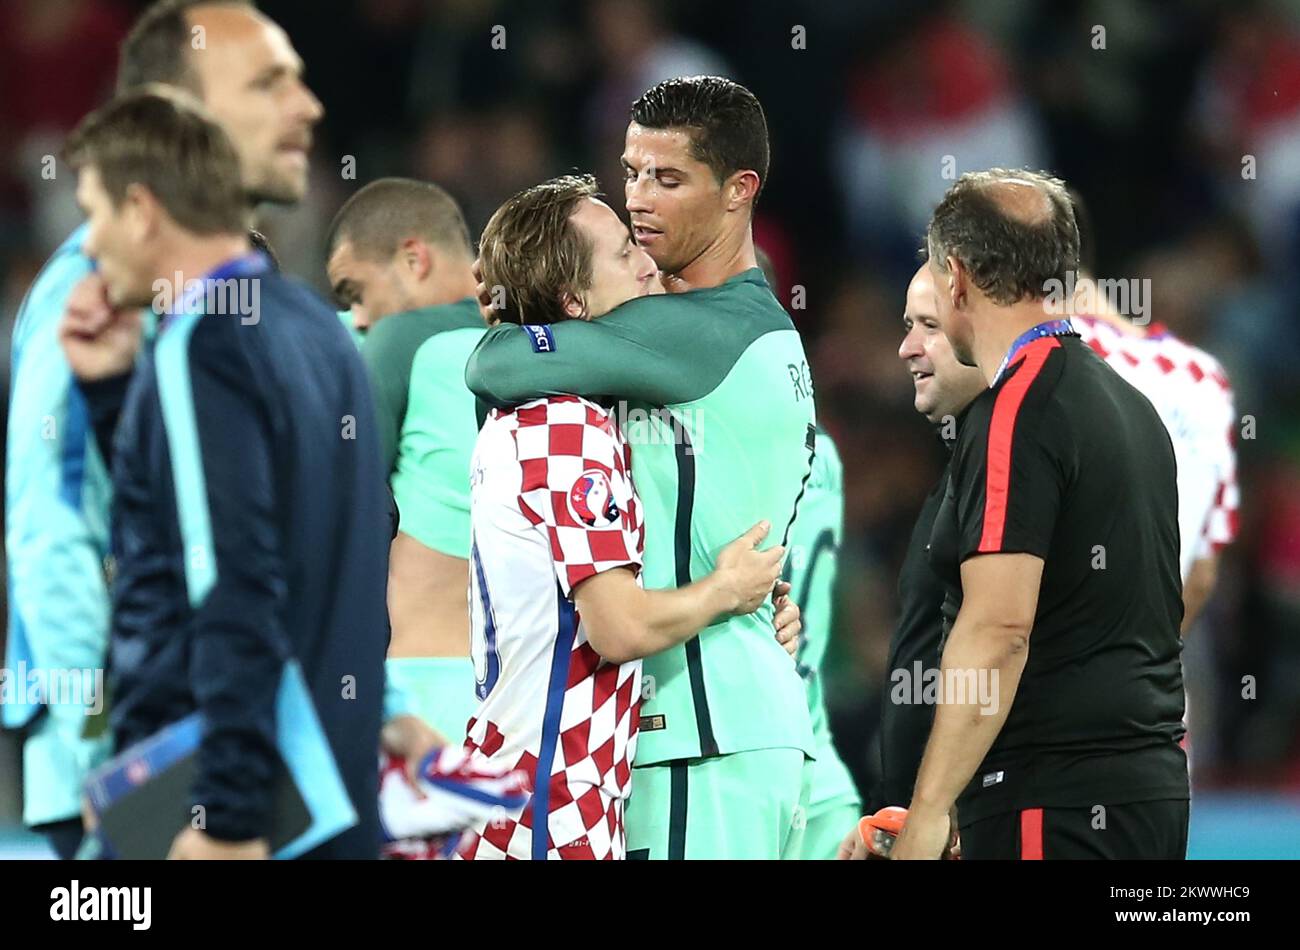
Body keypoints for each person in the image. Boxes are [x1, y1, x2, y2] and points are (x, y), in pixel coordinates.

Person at [466, 77, 817, 859]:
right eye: (631, 172)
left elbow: (491, 362)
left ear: (739, 192)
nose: (640, 202)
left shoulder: (688, 332)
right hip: (741, 720)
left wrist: (514, 318)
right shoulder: (757, 329)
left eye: (668, 178)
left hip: (697, 727)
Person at [4, 0, 321, 859]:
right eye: (262, 86)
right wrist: (108, 747)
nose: (300, 109)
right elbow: (51, 525)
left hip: (208, 740)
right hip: (125, 761)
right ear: (181, 121)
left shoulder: (231, 296)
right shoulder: (94, 286)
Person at [59, 88, 388, 859]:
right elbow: (325, 550)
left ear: (142, 209)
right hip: (333, 796)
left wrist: (226, 815)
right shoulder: (314, 326)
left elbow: (231, 581)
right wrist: (114, 397)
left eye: (94, 213)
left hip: (227, 811)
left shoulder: (198, 346)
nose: (87, 244)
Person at [892, 168, 1188, 860]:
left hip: (1050, 801)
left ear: (956, 278)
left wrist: (930, 813)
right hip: (1149, 795)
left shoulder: (1015, 409)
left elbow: (998, 627)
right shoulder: (1132, 407)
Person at [325, 178, 483, 749]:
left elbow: (340, 509)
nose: (359, 317)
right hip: (526, 690)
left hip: (416, 691)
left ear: (414, 259)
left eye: (356, 291)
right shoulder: (549, 342)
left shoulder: (400, 340)